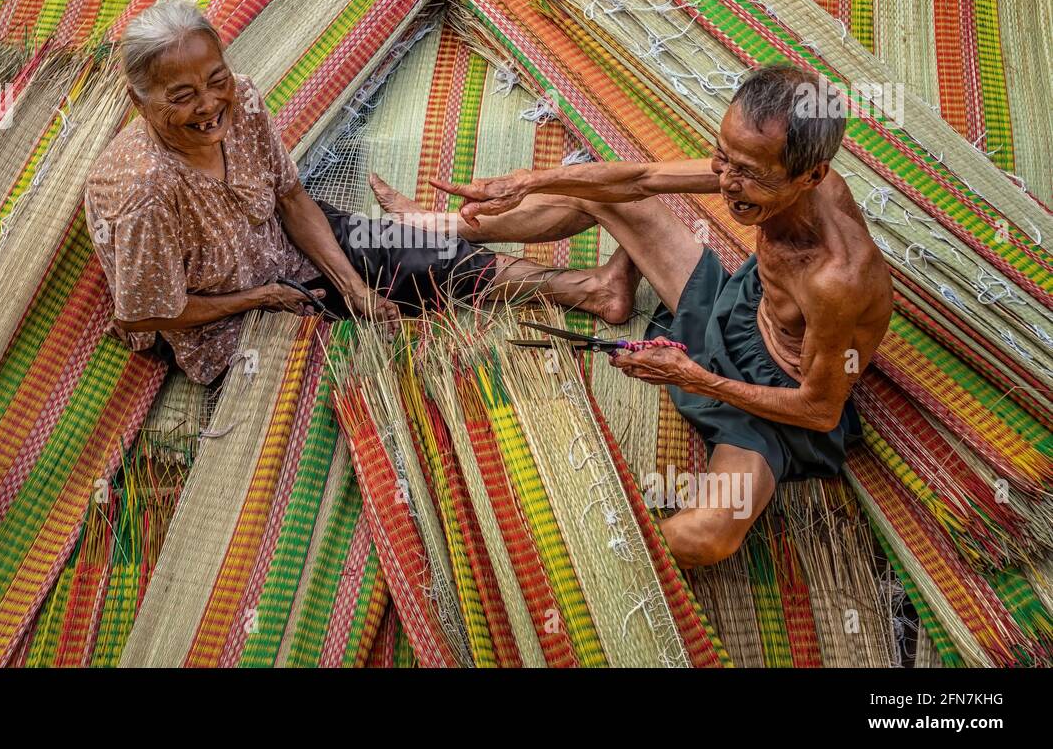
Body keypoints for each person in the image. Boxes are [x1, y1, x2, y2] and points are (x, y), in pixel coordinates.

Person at [370, 63, 893, 568]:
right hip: (738, 313)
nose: (727, 183)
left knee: (706, 537)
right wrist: (529, 181)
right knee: (600, 190)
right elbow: (642, 179)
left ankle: (573, 558)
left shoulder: (836, 279)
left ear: (813, 176)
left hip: (774, 406)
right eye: (722, 157)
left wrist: (696, 378)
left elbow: (819, 410)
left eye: (750, 175)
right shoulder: (756, 169)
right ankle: (442, 229)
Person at [83, 0, 635, 387]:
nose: (209, 105)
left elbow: (293, 199)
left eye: (216, 79)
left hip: (288, 245)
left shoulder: (242, 101)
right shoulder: (141, 191)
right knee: (376, 357)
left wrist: (351, 285)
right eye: (182, 96)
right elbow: (145, 313)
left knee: (416, 253)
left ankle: (587, 288)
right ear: (140, 103)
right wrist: (263, 297)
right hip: (229, 316)